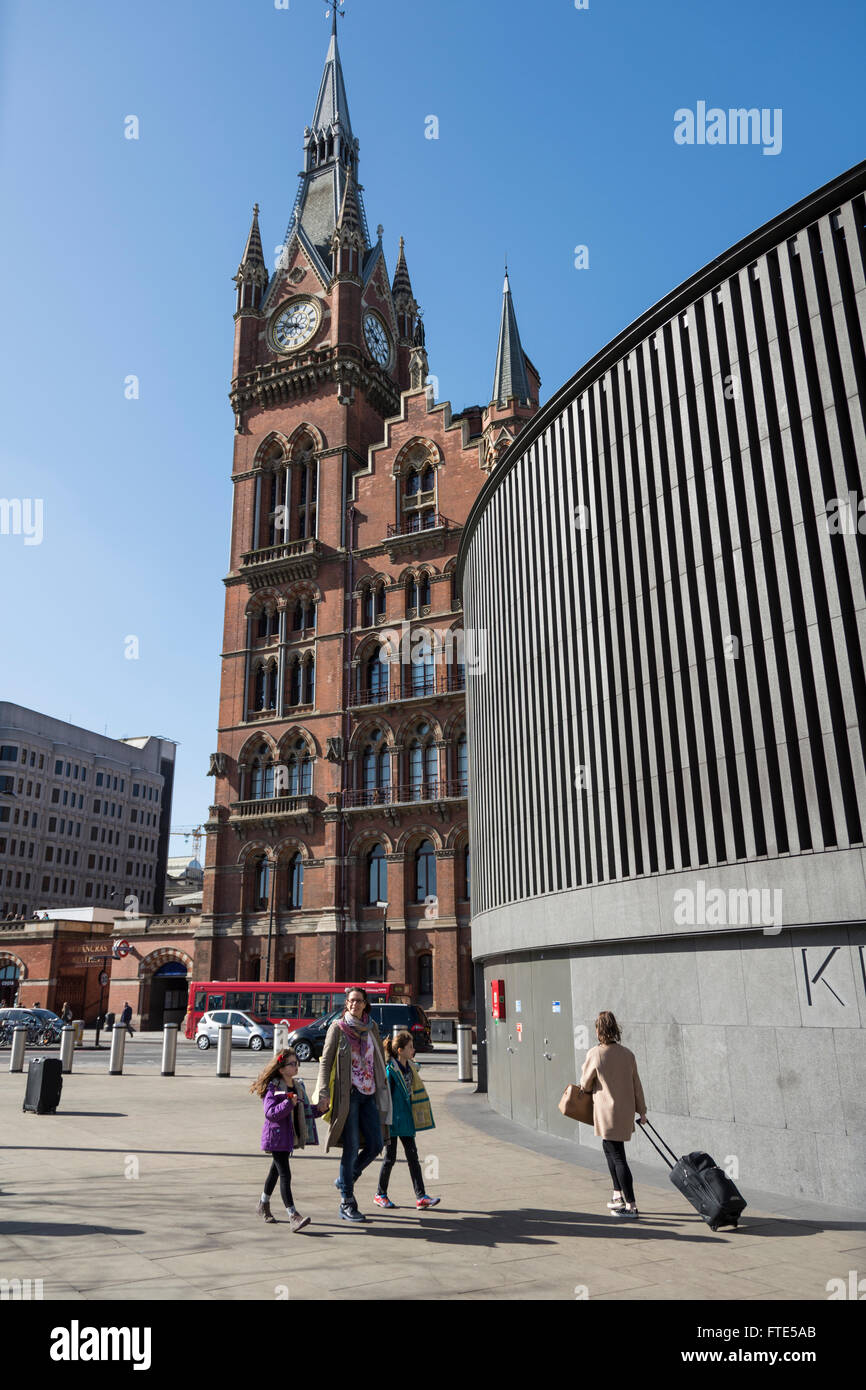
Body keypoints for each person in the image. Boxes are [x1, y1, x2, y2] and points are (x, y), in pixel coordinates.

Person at [314, 986, 392, 1224]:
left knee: (377, 1144)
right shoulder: (337, 1029)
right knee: (351, 1147)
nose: (354, 1004)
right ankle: (347, 1201)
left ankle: (346, 1179)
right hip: (348, 1096)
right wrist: (324, 1093)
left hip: (369, 1094)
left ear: (365, 1004)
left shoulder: (371, 1028)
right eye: (351, 1001)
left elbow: (380, 1056)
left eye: (359, 1001)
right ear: (346, 1004)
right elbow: (325, 1062)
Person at [579, 1010, 647, 1220]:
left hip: (607, 1113)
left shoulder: (595, 1054)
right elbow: (637, 1085)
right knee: (610, 1150)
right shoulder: (628, 1054)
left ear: (599, 1030)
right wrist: (642, 1111)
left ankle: (632, 1205)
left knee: (617, 1156)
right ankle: (618, 1195)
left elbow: (585, 1083)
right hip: (625, 1112)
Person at [250, 1048, 322, 1231]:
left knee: (275, 1172)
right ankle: (293, 1215)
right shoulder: (274, 1087)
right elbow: (270, 1113)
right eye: (292, 1063)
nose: (296, 1066)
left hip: (289, 1137)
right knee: (285, 1174)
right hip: (276, 1137)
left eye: (297, 1063)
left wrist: (321, 1109)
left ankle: (262, 1204)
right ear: (281, 1069)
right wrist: (288, 1103)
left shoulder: (298, 1086)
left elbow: (305, 1111)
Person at [375, 1030, 440, 1210]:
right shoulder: (391, 1070)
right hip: (393, 1121)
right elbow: (384, 1096)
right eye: (410, 1047)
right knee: (390, 1158)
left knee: (413, 1158)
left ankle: (421, 1196)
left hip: (406, 1120)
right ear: (400, 1050)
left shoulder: (409, 1067)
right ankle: (380, 1194)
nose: (413, 1050)